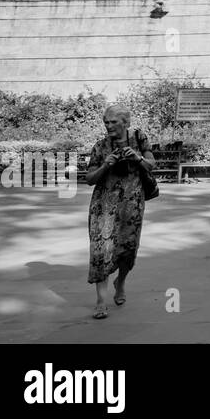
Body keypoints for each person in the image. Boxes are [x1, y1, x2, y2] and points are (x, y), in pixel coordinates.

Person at [84, 104, 155, 319]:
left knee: (128, 248)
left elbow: (151, 164)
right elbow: (89, 179)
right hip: (103, 205)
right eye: (106, 122)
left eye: (113, 122)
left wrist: (137, 158)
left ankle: (120, 282)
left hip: (132, 204)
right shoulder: (100, 146)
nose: (108, 126)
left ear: (125, 122)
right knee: (100, 250)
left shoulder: (140, 138)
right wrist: (105, 165)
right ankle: (100, 301)